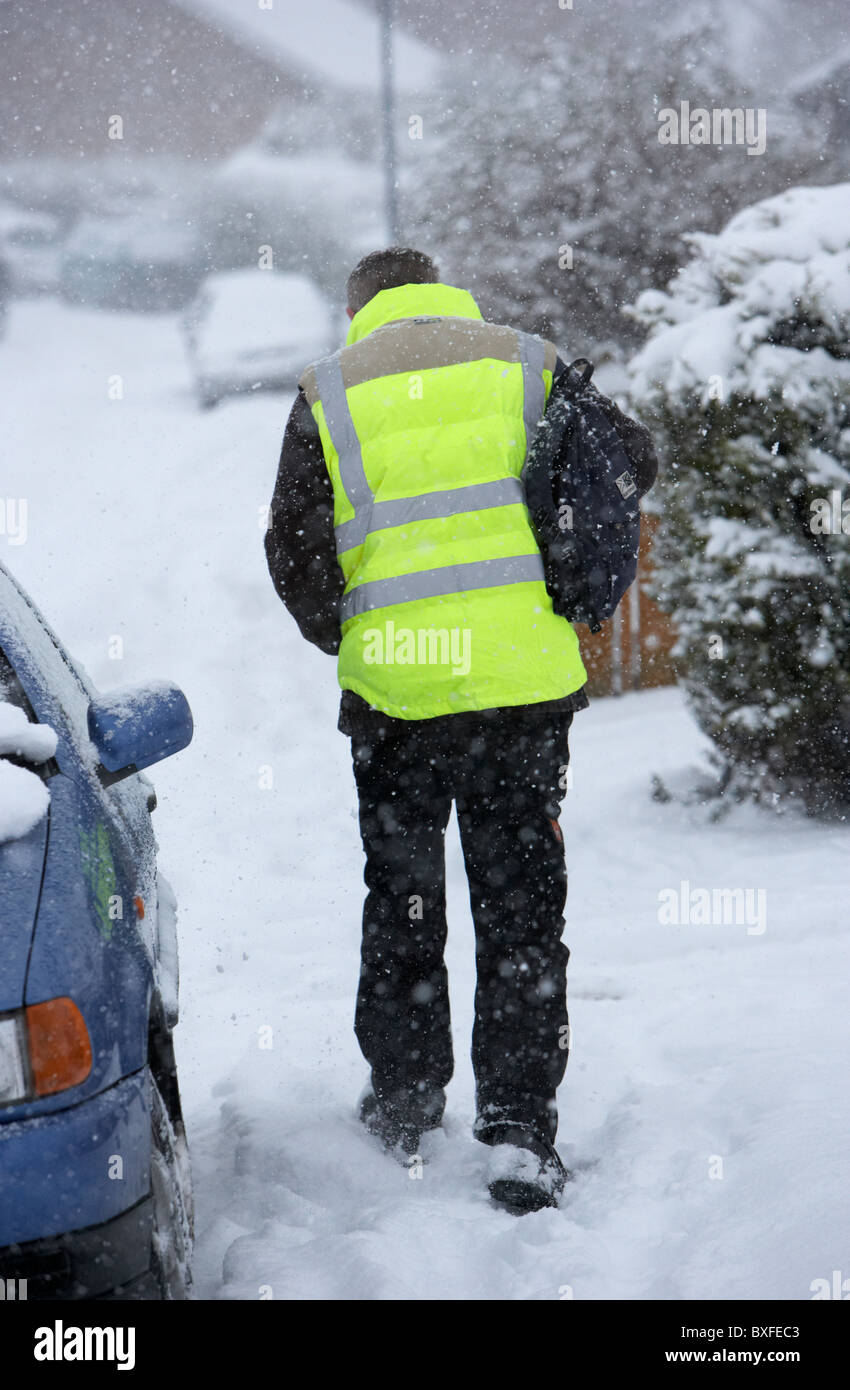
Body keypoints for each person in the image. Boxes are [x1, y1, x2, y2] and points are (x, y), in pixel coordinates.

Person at [266, 247, 658, 1211]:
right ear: (445, 290)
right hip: (522, 692)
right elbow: (631, 462)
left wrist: (352, 633)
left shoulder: (329, 390)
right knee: (522, 901)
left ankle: (405, 1096)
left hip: (397, 700)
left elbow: (295, 550)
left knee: (402, 892)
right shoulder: (529, 362)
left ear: (358, 306)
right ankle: (521, 1130)